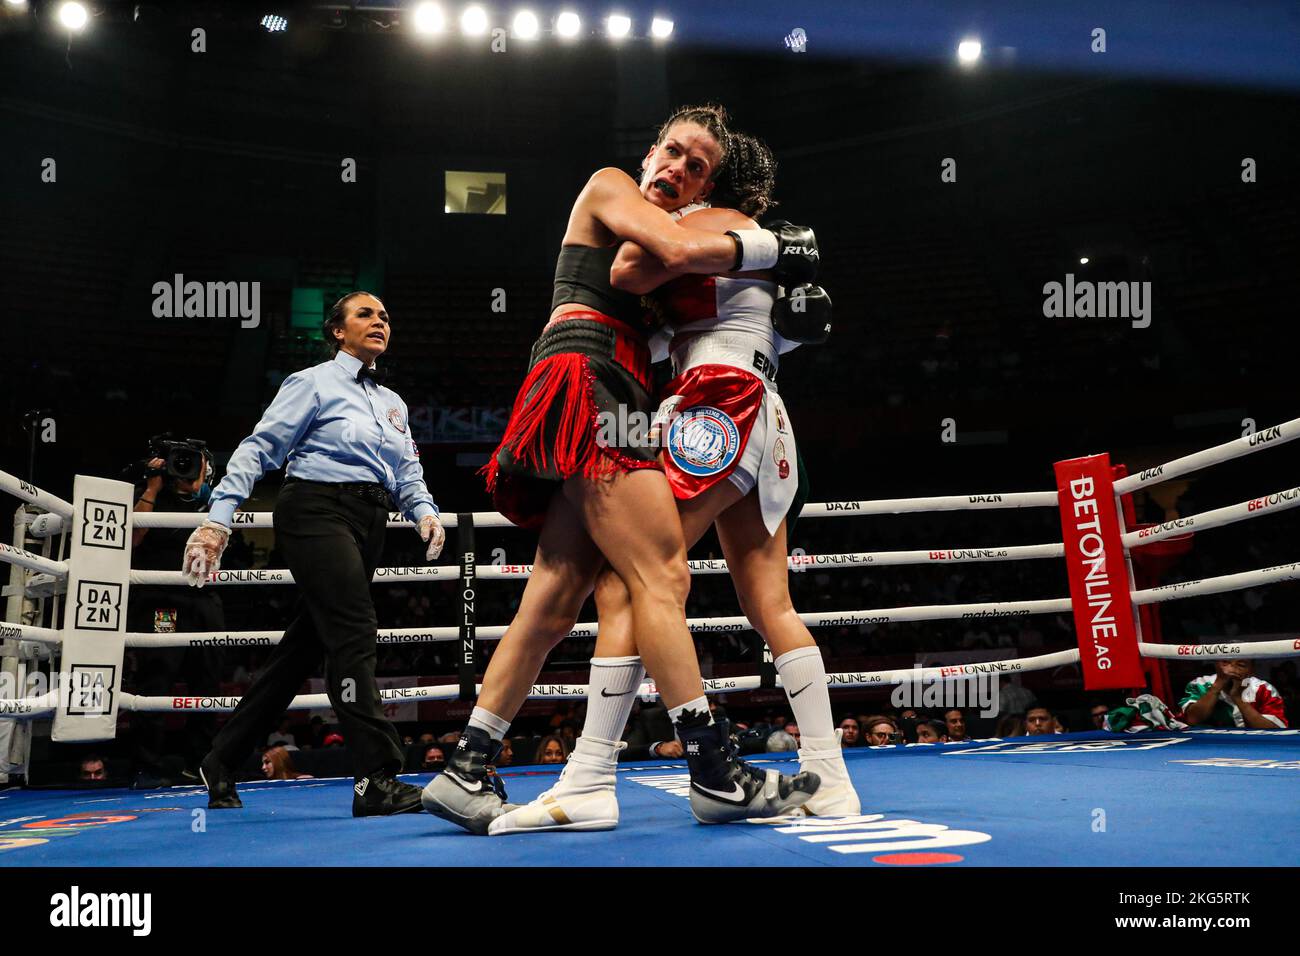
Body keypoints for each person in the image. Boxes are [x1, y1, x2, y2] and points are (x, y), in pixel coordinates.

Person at [422, 105, 823, 834]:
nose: (678, 169)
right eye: (674, 151)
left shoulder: (655, 243)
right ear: (649, 151)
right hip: (592, 376)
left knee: (558, 589)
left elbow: (682, 289)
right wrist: (769, 245)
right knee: (662, 574)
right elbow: (671, 245)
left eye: (696, 166)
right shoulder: (611, 186)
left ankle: (465, 768)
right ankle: (713, 768)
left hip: (620, 388)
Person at [184, 291, 447, 817]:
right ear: (337, 331)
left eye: (386, 315)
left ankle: (222, 758)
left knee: (303, 649)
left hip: (370, 520)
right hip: (315, 511)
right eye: (366, 314)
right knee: (353, 630)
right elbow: (259, 448)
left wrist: (424, 510)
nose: (380, 321)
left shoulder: (393, 402)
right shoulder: (311, 382)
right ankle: (376, 776)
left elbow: (406, 471)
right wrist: (219, 518)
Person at [126, 436, 225, 787]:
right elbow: (133, 540)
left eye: (191, 463)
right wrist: (152, 486)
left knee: (208, 681)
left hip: (203, 600)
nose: (183, 470)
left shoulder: (216, 502)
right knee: (157, 677)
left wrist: (201, 484)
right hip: (161, 604)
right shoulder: (152, 496)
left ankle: (199, 763)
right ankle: (147, 765)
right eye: (179, 463)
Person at [1180, 659, 1288, 729]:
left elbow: (1274, 731)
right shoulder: (1200, 684)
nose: (1232, 669)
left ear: (1251, 670)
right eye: (1225, 663)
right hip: (1209, 746)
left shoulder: (1265, 689)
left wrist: (1238, 698)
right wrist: (1218, 685)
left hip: (1256, 746)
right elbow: (1191, 720)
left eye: (1240, 665)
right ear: (1217, 665)